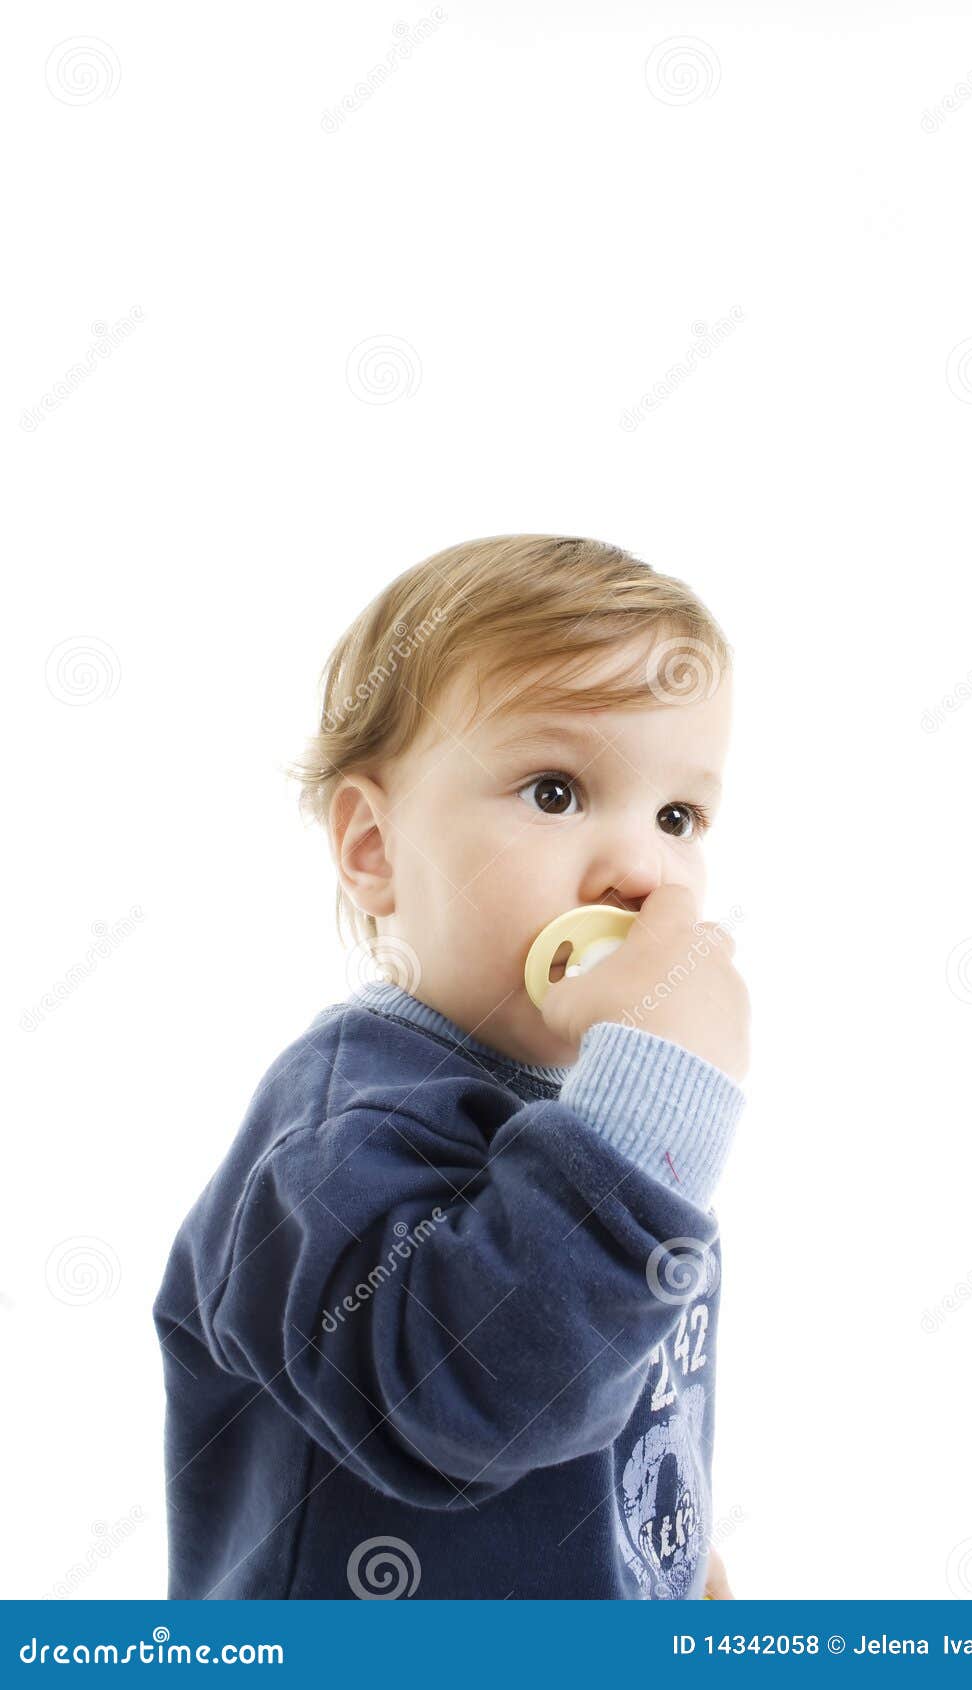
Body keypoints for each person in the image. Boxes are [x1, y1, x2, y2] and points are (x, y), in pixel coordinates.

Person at [153, 533, 751, 1599]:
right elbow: (468, 1406)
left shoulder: (598, 1118)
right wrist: (650, 1108)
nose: (639, 869)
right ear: (373, 847)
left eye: (678, 817)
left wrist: (673, 1568)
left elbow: (618, 1396)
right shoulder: (339, 1127)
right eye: (554, 791)